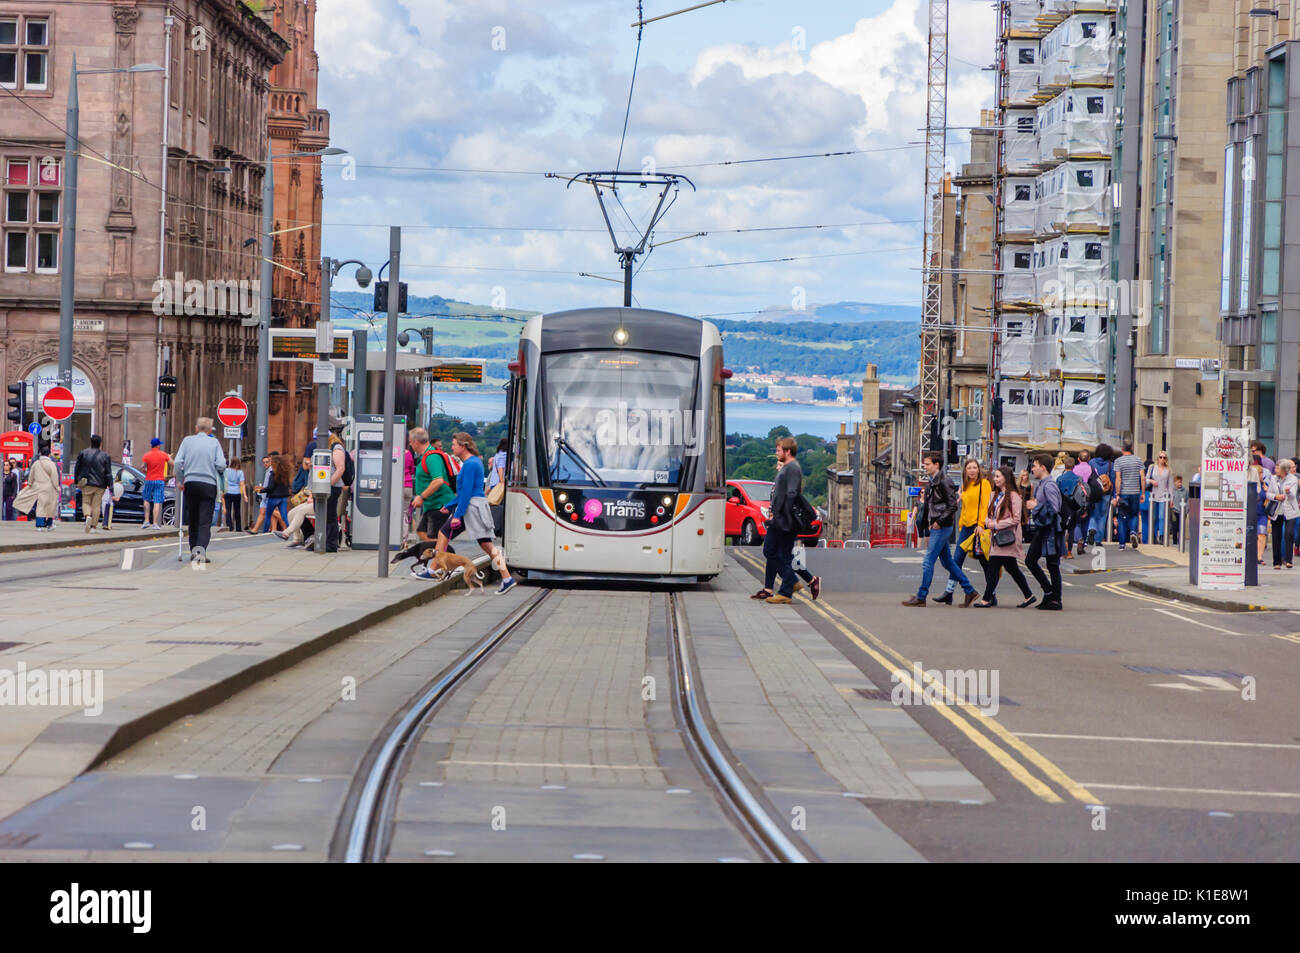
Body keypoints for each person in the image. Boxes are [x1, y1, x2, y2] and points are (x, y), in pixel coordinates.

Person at [431, 432, 515, 594]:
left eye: (454, 444)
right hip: (472, 506)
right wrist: (449, 505)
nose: (452, 447)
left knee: (486, 544)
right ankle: (433, 569)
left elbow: (467, 492)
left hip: (473, 507)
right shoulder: (473, 462)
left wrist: (456, 515)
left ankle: (507, 578)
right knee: (452, 534)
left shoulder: (469, 465)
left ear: (463, 446)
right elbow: (464, 493)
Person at [902, 451, 977, 607]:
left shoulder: (944, 481)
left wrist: (938, 522)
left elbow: (952, 505)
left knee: (928, 561)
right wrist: (931, 521)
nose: (925, 467)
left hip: (942, 526)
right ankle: (969, 590)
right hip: (938, 525)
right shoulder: (933, 480)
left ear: (936, 465)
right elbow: (933, 504)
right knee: (947, 562)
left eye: (927, 464)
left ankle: (921, 596)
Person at [753, 436, 818, 604]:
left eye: (779, 450)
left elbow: (791, 493)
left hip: (784, 519)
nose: (776, 452)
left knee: (772, 551)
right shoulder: (788, 467)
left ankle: (790, 583)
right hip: (780, 517)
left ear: (788, 451)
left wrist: (783, 514)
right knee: (780, 553)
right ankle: (786, 591)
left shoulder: (793, 468)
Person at [974, 465, 1036, 608]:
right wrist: (988, 522)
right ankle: (1028, 595)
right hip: (998, 538)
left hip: (1008, 537)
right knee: (1012, 568)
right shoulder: (994, 494)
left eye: (997, 476)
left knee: (993, 567)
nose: (994, 479)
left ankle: (986, 599)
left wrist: (995, 524)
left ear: (1005, 478)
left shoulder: (1014, 496)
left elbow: (1015, 519)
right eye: (994, 476)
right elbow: (988, 515)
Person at [936, 458, 989, 603]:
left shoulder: (984, 484)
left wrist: (981, 524)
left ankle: (991, 594)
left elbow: (985, 506)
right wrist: (960, 524)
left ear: (978, 469)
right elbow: (964, 507)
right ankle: (949, 592)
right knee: (957, 560)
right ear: (965, 470)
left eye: (974, 467)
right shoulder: (966, 485)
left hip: (977, 527)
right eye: (969, 468)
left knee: (985, 562)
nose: (972, 470)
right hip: (966, 527)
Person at [173, 417, 226, 561]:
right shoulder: (214, 443)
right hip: (208, 484)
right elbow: (221, 464)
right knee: (205, 521)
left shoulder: (187, 441)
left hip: (190, 483)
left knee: (194, 518)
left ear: (196, 428)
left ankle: (193, 549)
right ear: (209, 430)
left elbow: (178, 462)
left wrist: (180, 480)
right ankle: (199, 552)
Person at [1025, 453, 1065, 610]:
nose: (1032, 469)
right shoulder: (1041, 484)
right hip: (1043, 528)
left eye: (1034, 466)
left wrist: (1036, 506)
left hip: (1051, 530)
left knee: (1053, 565)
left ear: (1043, 467)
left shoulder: (1049, 485)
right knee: (1030, 560)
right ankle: (1049, 592)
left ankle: (1056, 600)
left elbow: (1055, 508)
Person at [408, 427, 456, 548]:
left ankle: (441, 562)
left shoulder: (431, 457)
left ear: (416, 442)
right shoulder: (426, 456)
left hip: (439, 504)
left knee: (437, 539)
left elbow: (438, 481)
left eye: (410, 441)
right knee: (422, 532)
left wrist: (421, 497)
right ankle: (440, 559)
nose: (410, 444)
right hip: (432, 505)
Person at [73, 434, 113, 534]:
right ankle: (94, 527)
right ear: (100, 443)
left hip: (86, 483)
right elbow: (108, 472)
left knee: (86, 502)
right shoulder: (105, 456)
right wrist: (110, 485)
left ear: (91, 442)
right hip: (100, 484)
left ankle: (87, 516)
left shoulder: (83, 453)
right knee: (96, 505)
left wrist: (76, 480)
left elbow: (77, 468)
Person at [13, 446, 60, 531]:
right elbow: (54, 477)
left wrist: (30, 484)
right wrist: (57, 487)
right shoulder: (51, 464)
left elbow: (31, 475)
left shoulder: (36, 463)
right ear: (49, 454)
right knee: (50, 506)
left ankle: (39, 524)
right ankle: (49, 524)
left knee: (40, 505)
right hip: (49, 488)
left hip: (38, 486)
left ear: (40, 454)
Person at [1112, 440, 1145, 551]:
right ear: (1131, 448)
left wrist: (1117, 493)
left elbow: (1118, 479)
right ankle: (1133, 532)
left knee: (1122, 518)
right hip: (1135, 492)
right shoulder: (1138, 460)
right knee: (1134, 514)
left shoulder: (1118, 461)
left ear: (1122, 449)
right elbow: (1143, 477)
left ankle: (1122, 544)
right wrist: (1143, 492)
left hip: (1124, 493)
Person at [324, 417, 350, 553]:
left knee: (330, 515)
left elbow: (340, 469)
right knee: (326, 514)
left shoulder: (337, 447)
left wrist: (328, 484)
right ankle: (323, 540)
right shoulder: (329, 447)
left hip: (332, 487)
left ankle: (331, 543)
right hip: (327, 487)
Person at [1267, 459, 1299, 569]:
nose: (1275, 470)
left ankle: (1288, 560)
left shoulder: (1293, 479)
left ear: (1284, 470)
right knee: (1276, 536)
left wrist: (1288, 492)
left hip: (1290, 510)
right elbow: (1269, 494)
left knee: (1289, 534)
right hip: (1277, 510)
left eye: (1277, 468)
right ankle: (1276, 562)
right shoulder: (1273, 478)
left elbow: (1293, 496)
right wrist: (1276, 497)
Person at [1087, 443, 1115, 545]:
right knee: (1102, 516)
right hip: (1106, 493)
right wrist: (1114, 495)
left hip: (1094, 492)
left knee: (1093, 514)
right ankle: (1098, 540)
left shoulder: (1091, 462)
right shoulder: (1111, 465)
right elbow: (1113, 480)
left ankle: (1091, 528)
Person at [140, 437, 171, 529]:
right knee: (157, 501)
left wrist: (146, 470)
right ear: (158, 445)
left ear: (151, 445)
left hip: (149, 479)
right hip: (159, 480)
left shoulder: (147, 455)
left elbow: (142, 467)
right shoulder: (163, 455)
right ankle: (155, 523)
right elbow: (172, 463)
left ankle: (146, 521)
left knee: (146, 500)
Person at [1055, 454, 1082, 560]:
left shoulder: (1059, 479)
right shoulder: (1078, 479)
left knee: (1061, 529)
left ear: (1064, 466)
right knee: (1071, 529)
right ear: (1074, 466)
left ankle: (1062, 550)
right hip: (1073, 505)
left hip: (1062, 505)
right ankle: (1070, 551)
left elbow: (1056, 494)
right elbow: (1081, 493)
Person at [1146, 451, 1173, 544]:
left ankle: (1161, 535)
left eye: (1164, 457)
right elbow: (1145, 479)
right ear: (1157, 458)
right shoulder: (1152, 467)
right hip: (1153, 494)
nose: (1162, 459)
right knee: (1153, 517)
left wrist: (1171, 498)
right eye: (1160, 457)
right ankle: (1153, 535)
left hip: (1163, 495)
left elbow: (1170, 485)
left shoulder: (1168, 470)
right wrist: (1151, 481)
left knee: (1162, 516)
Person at [487, 437, 508, 538]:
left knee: (495, 506)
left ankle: (494, 527)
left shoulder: (498, 454)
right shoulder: (504, 455)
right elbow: (501, 469)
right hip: (500, 484)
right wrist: (502, 481)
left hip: (494, 483)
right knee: (500, 506)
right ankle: (498, 528)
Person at [1247, 466, 1267, 564]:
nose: (1260, 475)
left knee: (1262, 534)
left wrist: (1267, 491)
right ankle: (1251, 555)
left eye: (1261, 473)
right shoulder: (1250, 484)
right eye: (1259, 473)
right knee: (1250, 535)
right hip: (1251, 512)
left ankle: (1259, 557)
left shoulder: (1265, 485)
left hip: (1261, 514)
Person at [224, 457, 247, 533]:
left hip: (228, 492)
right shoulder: (240, 472)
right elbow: (242, 484)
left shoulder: (226, 471)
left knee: (228, 510)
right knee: (237, 510)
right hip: (237, 493)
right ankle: (238, 528)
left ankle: (230, 527)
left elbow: (224, 481)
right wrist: (245, 495)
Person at [1170, 473, 1188, 547]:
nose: (1179, 483)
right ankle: (1174, 540)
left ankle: (1180, 539)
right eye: (1178, 482)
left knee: (1181, 526)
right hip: (1174, 511)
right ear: (1175, 482)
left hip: (1182, 511)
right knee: (1175, 526)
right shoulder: (1172, 490)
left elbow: (1187, 500)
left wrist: (1186, 510)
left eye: (1180, 482)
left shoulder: (1185, 491)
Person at [402, 444, 415, 542]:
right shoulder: (409, 454)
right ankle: (404, 537)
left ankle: (395, 535)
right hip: (408, 485)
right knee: (405, 513)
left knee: (395, 512)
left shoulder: (393, 453)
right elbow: (411, 470)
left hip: (397, 486)